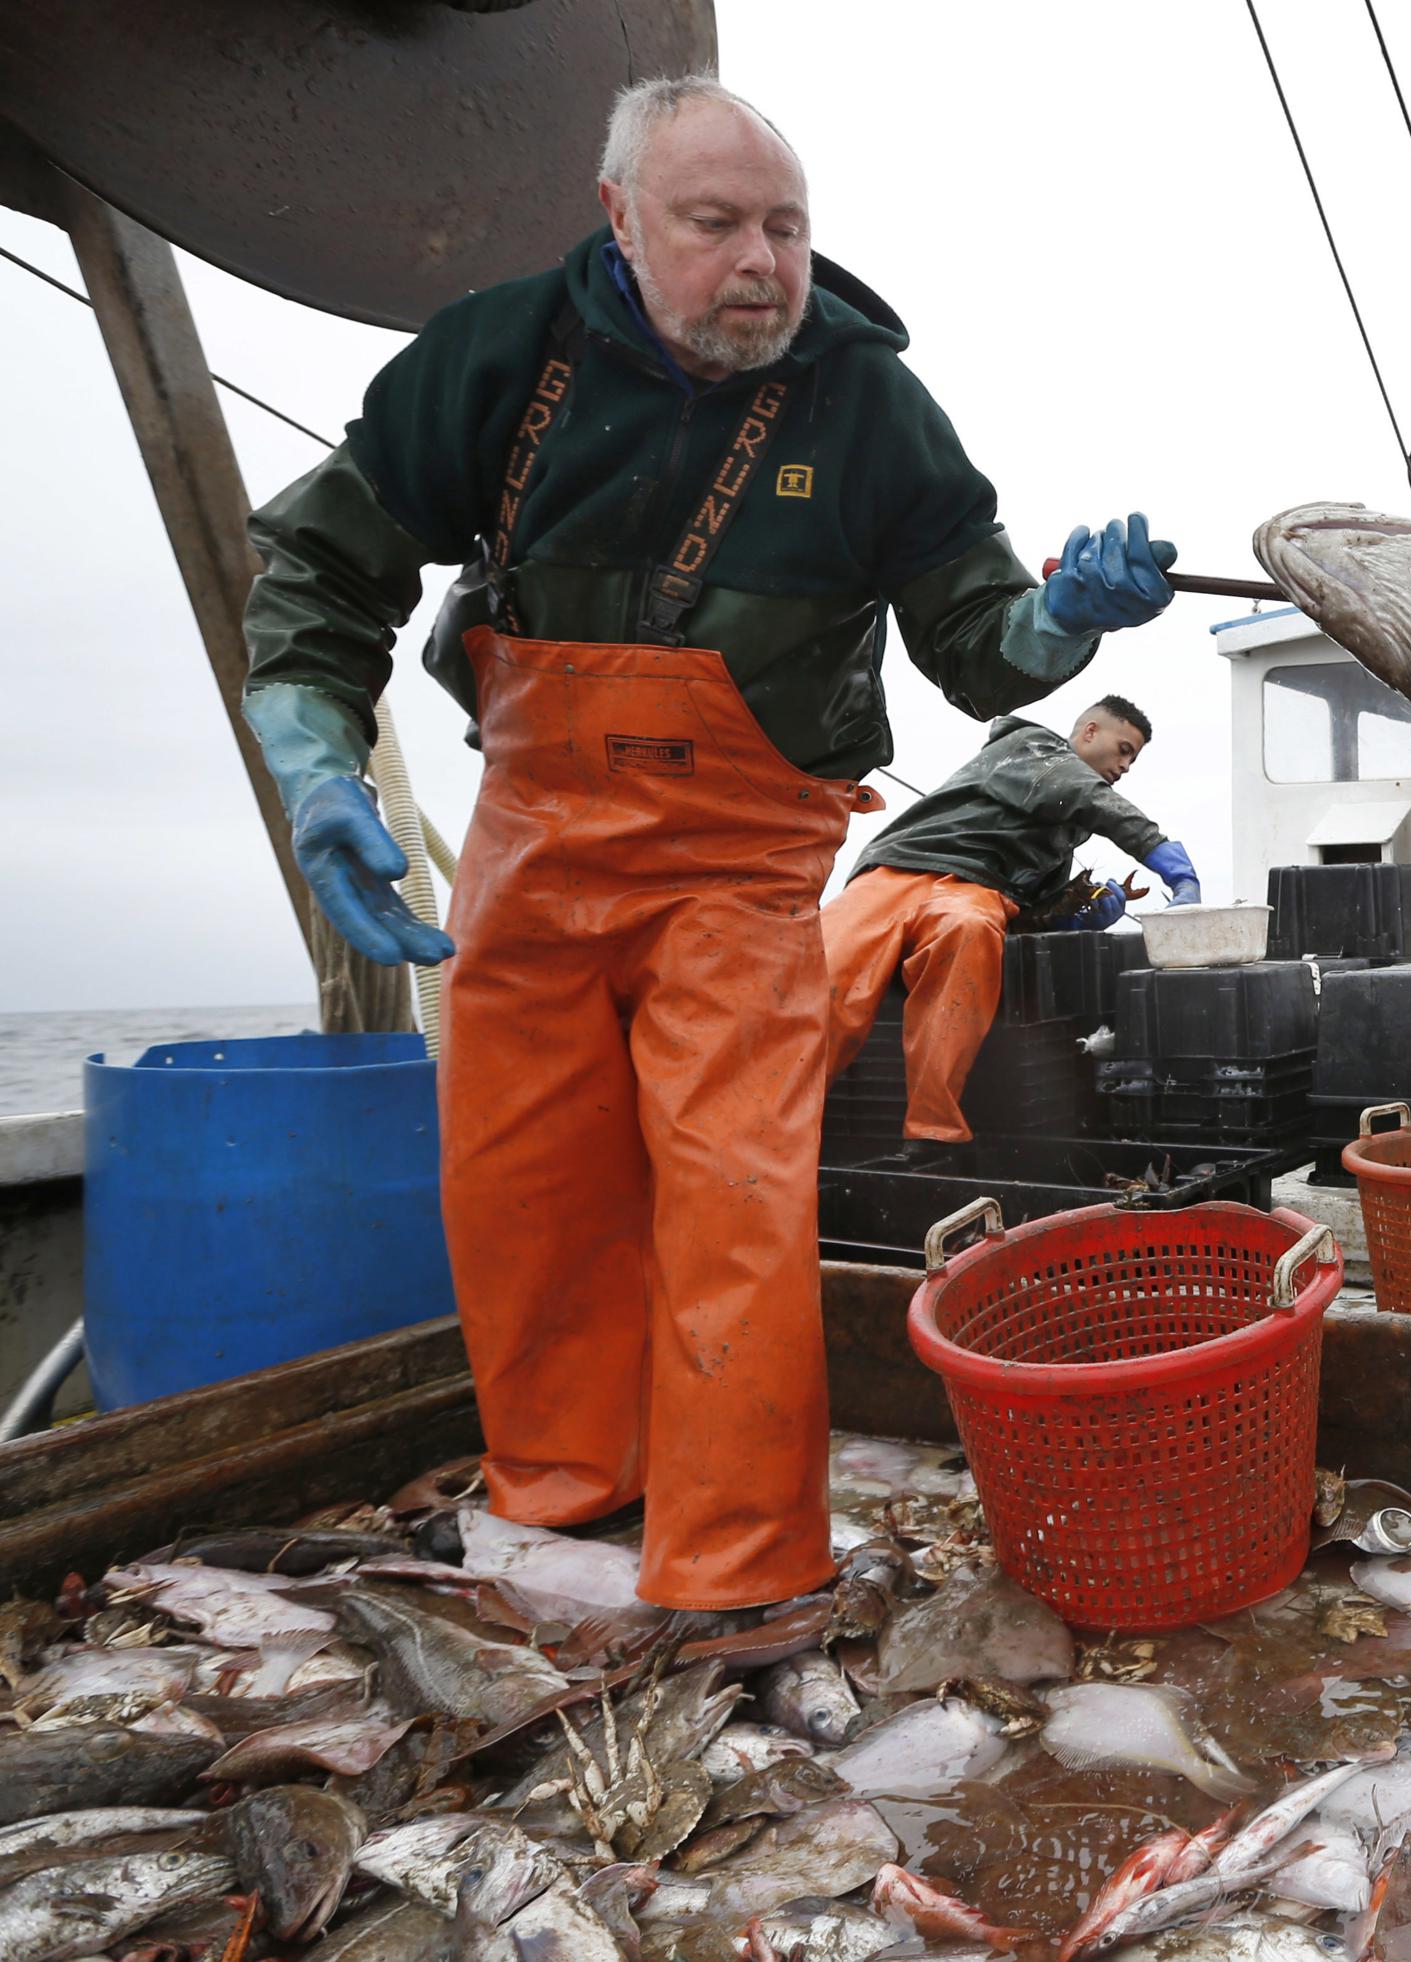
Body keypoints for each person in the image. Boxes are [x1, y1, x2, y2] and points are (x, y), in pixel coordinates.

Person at [232, 73, 1179, 1612]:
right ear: (619, 218)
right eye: (717, 223)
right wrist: (313, 757)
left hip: (742, 860)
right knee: (518, 1182)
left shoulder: (871, 404)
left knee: (731, 1193)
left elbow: (980, 644)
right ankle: (560, 1509)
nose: (762, 261)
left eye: (786, 228)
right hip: (529, 835)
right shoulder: (492, 356)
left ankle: (737, 1575)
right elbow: (325, 563)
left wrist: (1063, 617)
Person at [821, 696, 1197, 1144]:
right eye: (1124, 749)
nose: (1128, 765)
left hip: (970, 900)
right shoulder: (1030, 746)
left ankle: (931, 1134)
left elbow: (1022, 921)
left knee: (973, 933)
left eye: (1134, 758)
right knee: (819, 986)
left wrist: (1076, 916)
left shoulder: (1059, 840)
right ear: (1091, 731)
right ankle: (771, 1116)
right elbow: (1087, 794)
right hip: (892, 874)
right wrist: (1170, 863)